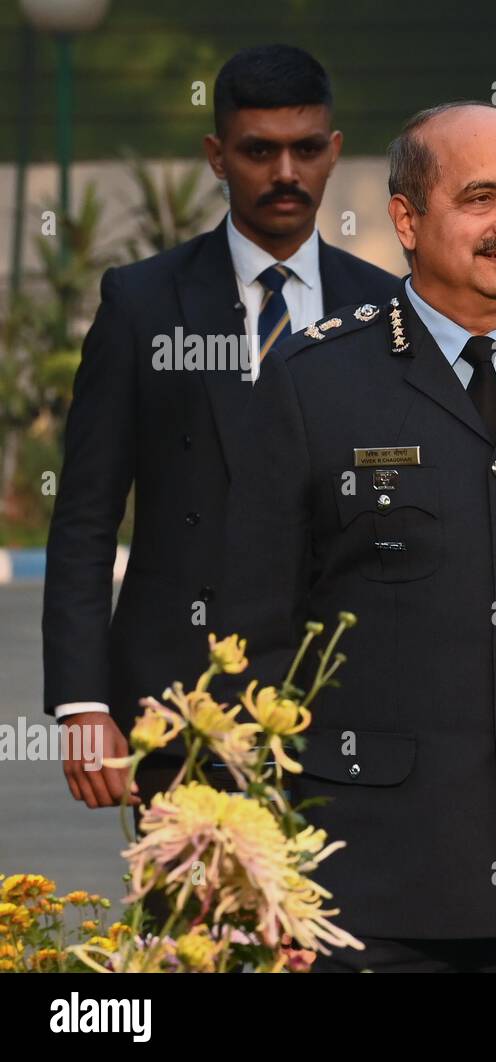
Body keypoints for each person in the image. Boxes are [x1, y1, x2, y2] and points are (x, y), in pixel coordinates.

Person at [220, 102, 496, 973]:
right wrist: (269, 830)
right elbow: (259, 624)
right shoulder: (315, 380)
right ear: (407, 218)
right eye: (482, 198)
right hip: (376, 866)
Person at [43, 44, 397, 811]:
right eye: (258, 151)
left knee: (340, 934)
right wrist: (80, 704)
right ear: (216, 155)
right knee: (189, 933)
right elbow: (84, 518)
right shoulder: (141, 304)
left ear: (334, 152)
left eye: (306, 149)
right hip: (176, 709)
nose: (285, 174)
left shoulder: (386, 311)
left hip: (349, 707)